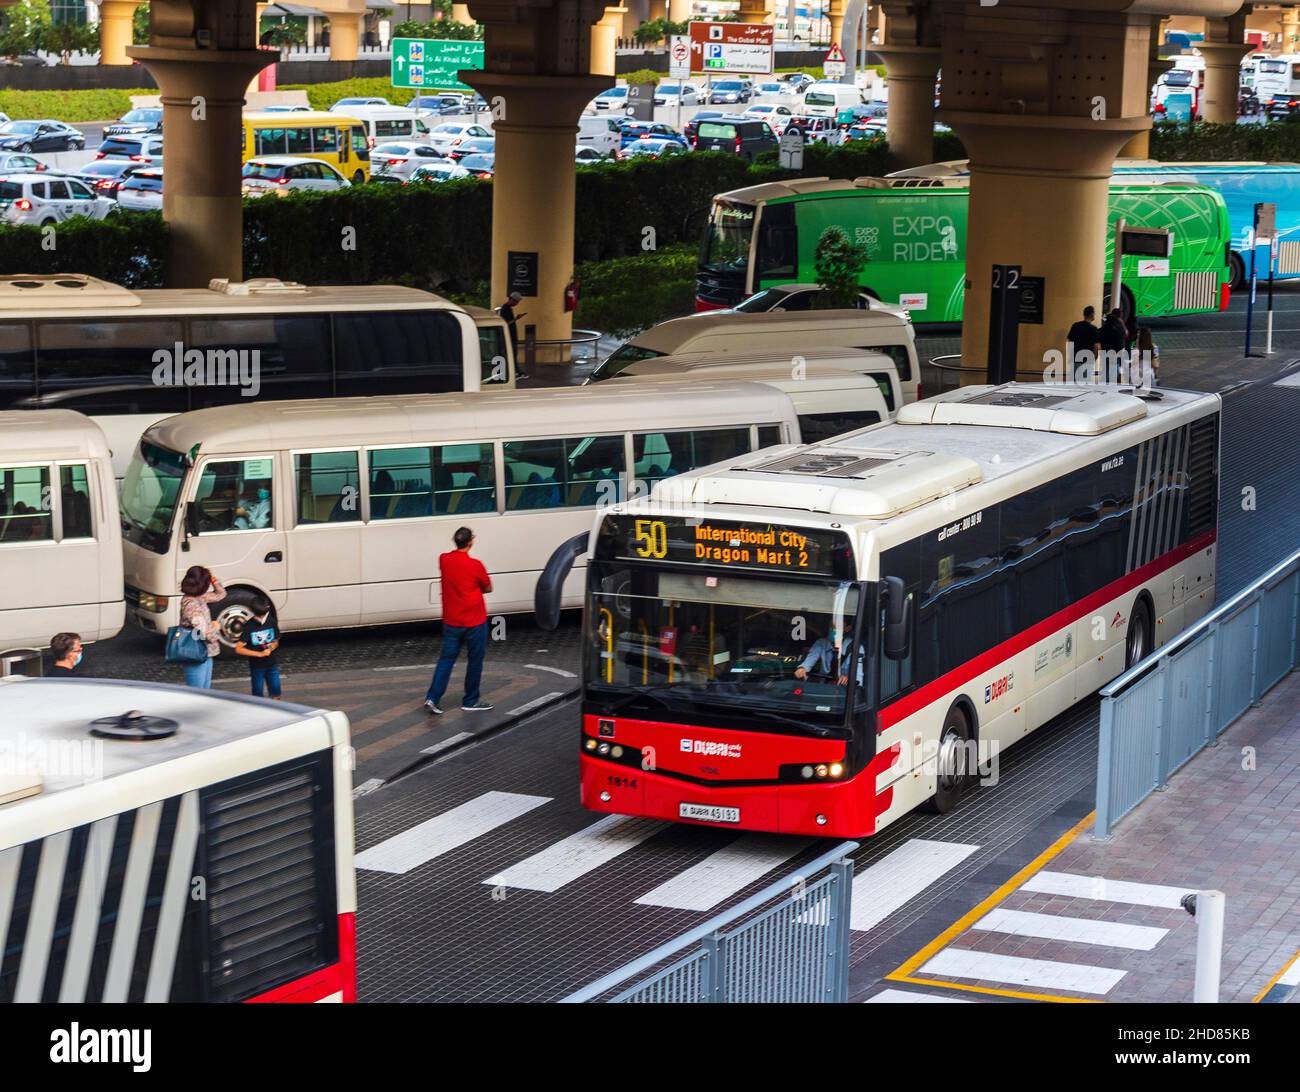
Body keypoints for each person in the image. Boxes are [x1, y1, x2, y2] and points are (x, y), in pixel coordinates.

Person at [424, 526, 494, 714]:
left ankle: (432, 698)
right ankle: (470, 700)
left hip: (451, 622)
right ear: (471, 542)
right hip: (475, 622)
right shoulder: (476, 565)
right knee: (475, 661)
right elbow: (488, 588)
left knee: (446, 660)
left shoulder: (444, 559)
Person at [178, 565, 225, 688]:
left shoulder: (199, 597)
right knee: (198, 692)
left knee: (205, 691)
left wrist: (213, 578)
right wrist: (216, 627)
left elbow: (221, 594)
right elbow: (205, 633)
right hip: (195, 652)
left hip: (205, 651)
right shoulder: (190, 605)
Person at [234, 594, 281, 700]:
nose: (262, 619)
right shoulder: (249, 626)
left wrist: (272, 646)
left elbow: (276, 640)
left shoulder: (271, 621)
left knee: (276, 692)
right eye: (260, 616)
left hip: (272, 664)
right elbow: (238, 648)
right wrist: (259, 654)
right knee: (257, 694)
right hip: (257, 666)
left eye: (264, 615)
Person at [793, 623, 864, 687]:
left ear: (847, 628)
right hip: (823, 688)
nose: (833, 630)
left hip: (845, 691)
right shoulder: (821, 643)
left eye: (836, 627)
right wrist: (803, 668)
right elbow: (811, 658)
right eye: (831, 626)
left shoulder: (856, 647)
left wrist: (850, 679)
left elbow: (858, 675)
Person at [1066, 305, 1101, 378]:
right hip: (1088, 360)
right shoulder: (1093, 329)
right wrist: (1095, 358)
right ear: (1092, 314)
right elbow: (1096, 346)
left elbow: (1070, 342)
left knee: (1075, 383)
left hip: (1076, 359)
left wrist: (1071, 355)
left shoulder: (1076, 326)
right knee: (1085, 383)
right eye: (1094, 313)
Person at [498, 290, 525, 361]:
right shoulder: (505, 308)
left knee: (514, 354)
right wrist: (516, 319)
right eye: (516, 302)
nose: (517, 304)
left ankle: (516, 369)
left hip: (512, 336)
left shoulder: (508, 308)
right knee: (512, 354)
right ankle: (515, 369)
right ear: (512, 299)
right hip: (510, 336)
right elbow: (505, 323)